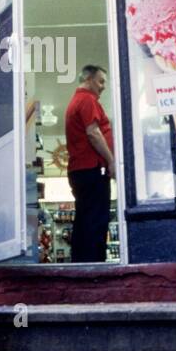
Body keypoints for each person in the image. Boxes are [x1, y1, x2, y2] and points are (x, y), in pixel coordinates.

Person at [64, 64, 115, 263]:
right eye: (100, 81)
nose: (103, 87)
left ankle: (82, 262)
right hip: (92, 168)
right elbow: (93, 133)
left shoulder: (76, 101)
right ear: (88, 80)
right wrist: (111, 161)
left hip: (81, 170)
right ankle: (95, 265)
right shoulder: (87, 99)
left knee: (85, 218)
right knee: (97, 220)